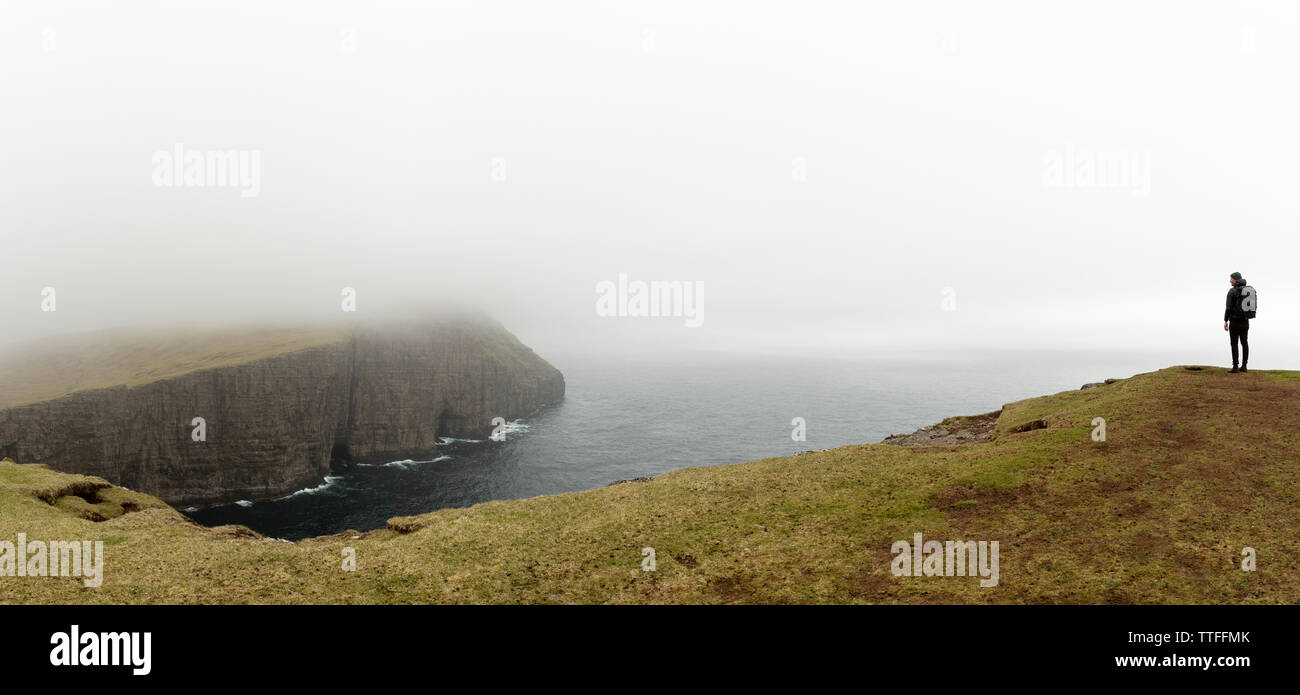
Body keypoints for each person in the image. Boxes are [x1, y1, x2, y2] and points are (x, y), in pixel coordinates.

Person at [1224, 272, 1250, 373]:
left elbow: (1228, 308)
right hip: (1245, 321)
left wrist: (1225, 320)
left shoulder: (1232, 291)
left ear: (1235, 280)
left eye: (1231, 279)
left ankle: (1235, 367)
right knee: (1244, 342)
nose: (1230, 281)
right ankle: (1244, 366)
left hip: (1234, 321)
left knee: (1234, 343)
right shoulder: (1247, 290)